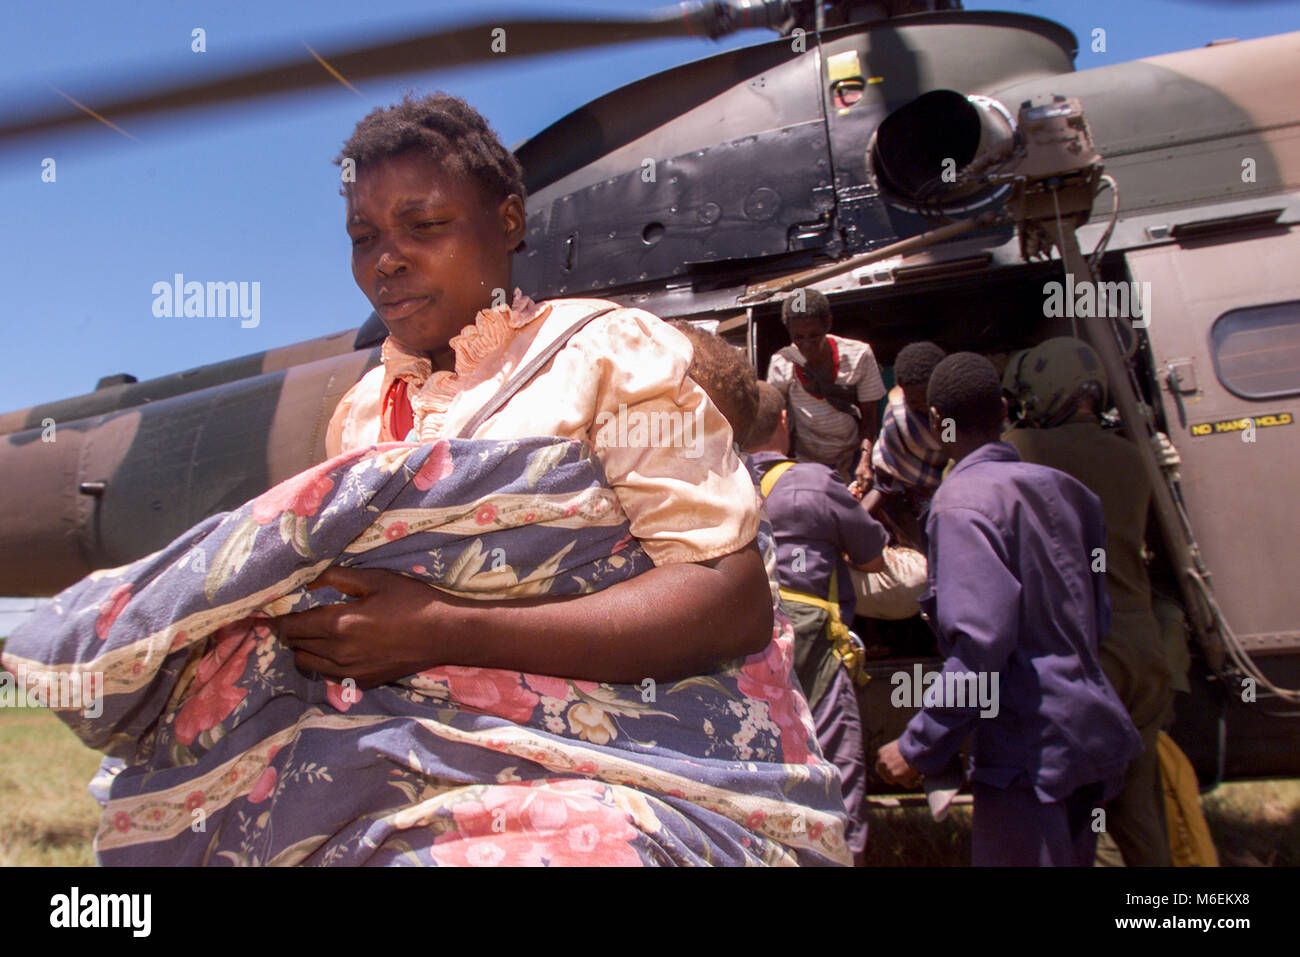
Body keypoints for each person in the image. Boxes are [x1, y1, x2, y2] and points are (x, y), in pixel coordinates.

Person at [302, 93, 772, 685]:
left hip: (611, 756)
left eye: (424, 225)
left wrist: (445, 631)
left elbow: (731, 603)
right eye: (363, 237)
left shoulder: (605, 352)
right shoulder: (360, 413)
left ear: (508, 223)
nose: (386, 261)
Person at [875, 352, 1142, 866]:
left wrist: (918, 745)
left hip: (1027, 753)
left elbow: (981, 648)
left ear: (936, 422)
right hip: (1088, 734)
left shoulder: (958, 508)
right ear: (1002, 410)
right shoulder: (1070, 493)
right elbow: (1099, 617)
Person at [1002, 337, 1178, 866]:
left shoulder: (1016, 454)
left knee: (1082, 814)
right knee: (1139, 812)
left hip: (1078, 654)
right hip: (1142, 649)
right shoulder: (1136, 456)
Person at [742, 381, 888, 864]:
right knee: (837, 776)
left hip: (749, 648)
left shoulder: (724, 484)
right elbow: (871, 558)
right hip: (816, 652)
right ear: (785, 421)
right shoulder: (816, 483)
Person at [851, 341, 947, 626]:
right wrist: (853, 516)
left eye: (923, 402)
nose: (917, 408)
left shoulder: (957, 419)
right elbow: (886, 481)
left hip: (947, 509)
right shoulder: (898, 416)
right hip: (909, 517)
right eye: (911, 401)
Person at [766, 289, 885, 479]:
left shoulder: (859, 356)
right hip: (807, 462)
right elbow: (776, 421)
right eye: (799, 338)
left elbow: (870, 418)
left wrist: (864, 461)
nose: (807, 344)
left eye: (814, 336)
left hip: (852, 457)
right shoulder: (782, 365)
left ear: (828, 323)